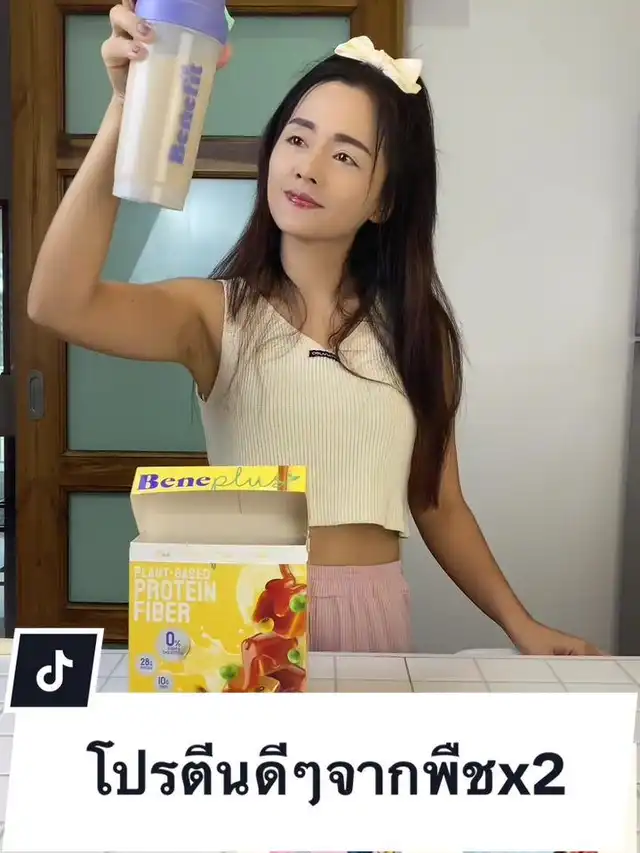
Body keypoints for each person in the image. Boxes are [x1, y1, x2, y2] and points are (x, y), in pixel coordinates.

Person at [27, 0, 601, 656]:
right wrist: (127, 109)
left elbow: (439, 503)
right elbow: (57, 303)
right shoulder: (212, 314)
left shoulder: (418, 332)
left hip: (374, 616)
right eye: (297, 139)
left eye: (346, 156)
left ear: (385, 199)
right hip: (248, 617)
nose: (308, 166)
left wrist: (521, 625)